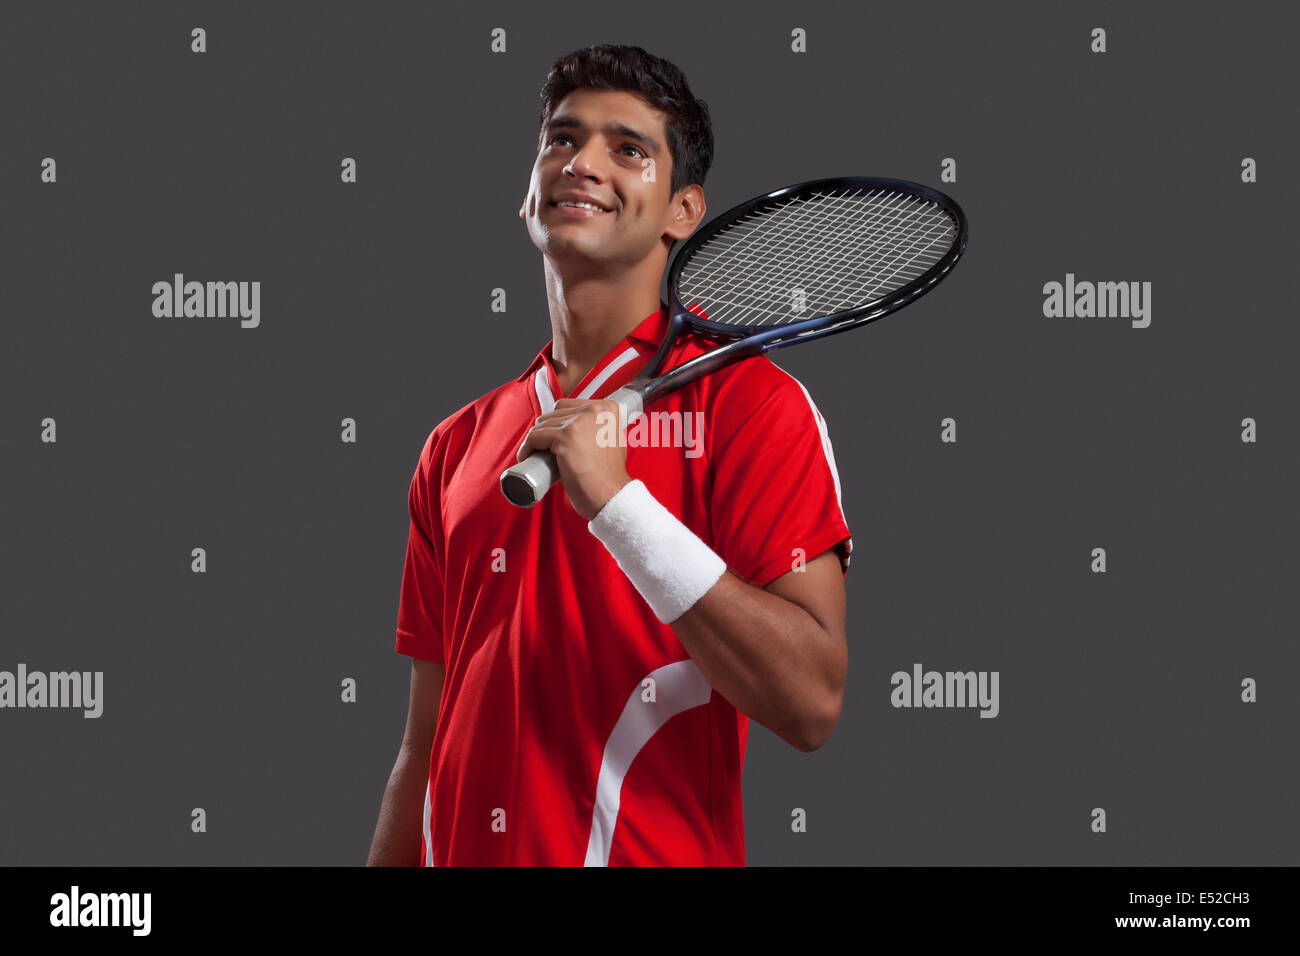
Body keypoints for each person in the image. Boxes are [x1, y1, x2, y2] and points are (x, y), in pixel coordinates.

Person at [367, 43, 852, 867]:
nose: (582, 163)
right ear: (528, 192)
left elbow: (811, 700)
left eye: (628, 149)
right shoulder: (457, 445)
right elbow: (426, 745)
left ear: (683, 211)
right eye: (561, 139)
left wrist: (621, 508)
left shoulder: (751, 408)